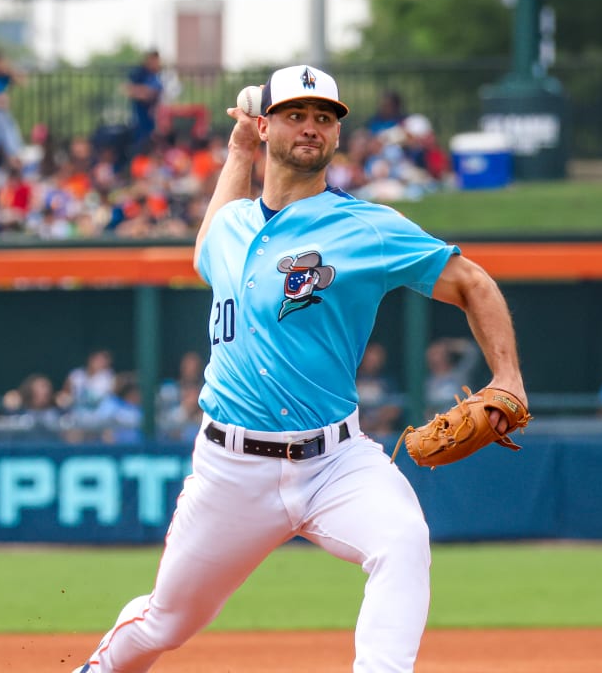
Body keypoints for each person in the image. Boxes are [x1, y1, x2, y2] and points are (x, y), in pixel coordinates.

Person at [74, 65, 526, 673]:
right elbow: (207, 250)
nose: (310, 127)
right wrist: (236, 153)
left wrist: (507, 378)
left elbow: (472, 282)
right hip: (230, 468)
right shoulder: (232, 227)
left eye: (323, 117)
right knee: (167, 621)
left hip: (335, 460)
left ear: (336, 136)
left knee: (402, 540)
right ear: (265, 127)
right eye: (294, 114)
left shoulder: (369, 227)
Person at [124, 51, 164, 153]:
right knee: (140, 143)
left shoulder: (156, 77)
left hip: (152, 117)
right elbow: (127, 90)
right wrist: (142, 91)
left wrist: (140, 91)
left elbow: (152, 93)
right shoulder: (140, 74)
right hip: (140, 118)